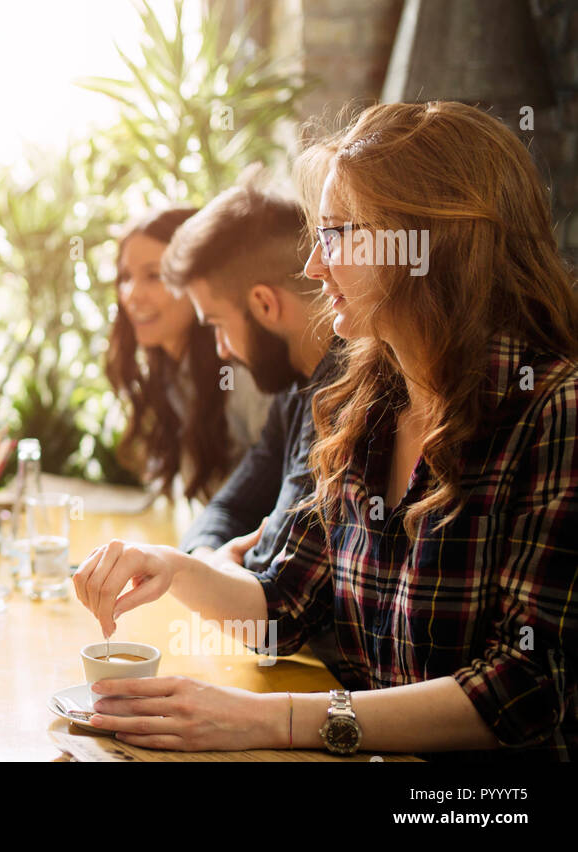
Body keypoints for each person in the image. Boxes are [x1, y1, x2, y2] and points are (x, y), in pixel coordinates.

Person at [74, 101, 578, 760]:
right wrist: (168, 567)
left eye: (337, 233)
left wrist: (271, 719)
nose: (314, 266)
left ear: (428, 245)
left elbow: (524, 687)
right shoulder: (359, 404)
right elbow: (284, 609)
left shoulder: (552, 412)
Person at [160, 184, 344, 671]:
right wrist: (210, 559)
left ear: (264, 304)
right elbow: (230, 507)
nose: (220, 349)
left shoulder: (344, 396)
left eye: (218, 323)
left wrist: (211, 569)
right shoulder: (297, 390)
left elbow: (273, 608)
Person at [106, 209, 270, 503]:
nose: (132, 294)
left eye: (154, 276)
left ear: (199, 282)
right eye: (125, 277)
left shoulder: (242, 372)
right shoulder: (169, 371)